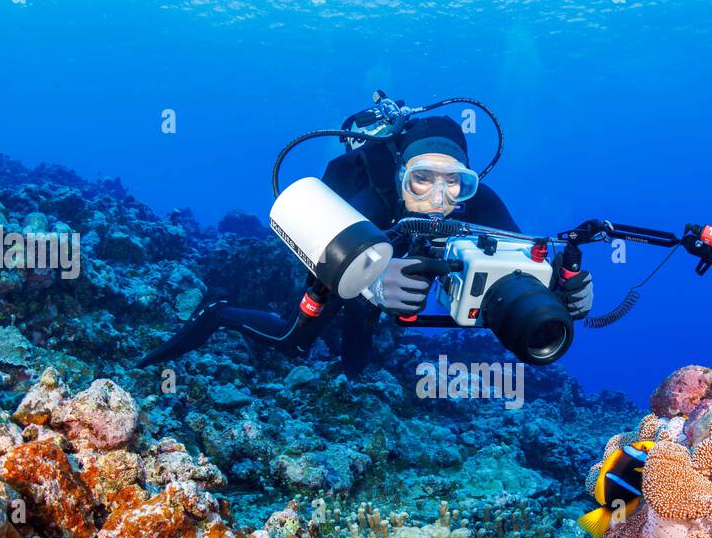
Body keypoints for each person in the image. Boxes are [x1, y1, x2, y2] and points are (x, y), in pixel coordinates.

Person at [136, 115, 593, 373]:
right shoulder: (370, 198)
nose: (439, 197)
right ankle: (215, 314)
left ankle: (353, 365)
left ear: (471, 181)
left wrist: (560, 291)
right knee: (295, 342)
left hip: (403, 278)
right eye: (422, 180)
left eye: (455, 183)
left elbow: (522, 260)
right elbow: (323, 266)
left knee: (356, 367)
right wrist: (372, 280)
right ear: (401, 177)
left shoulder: (482, 204)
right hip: (346, 265)